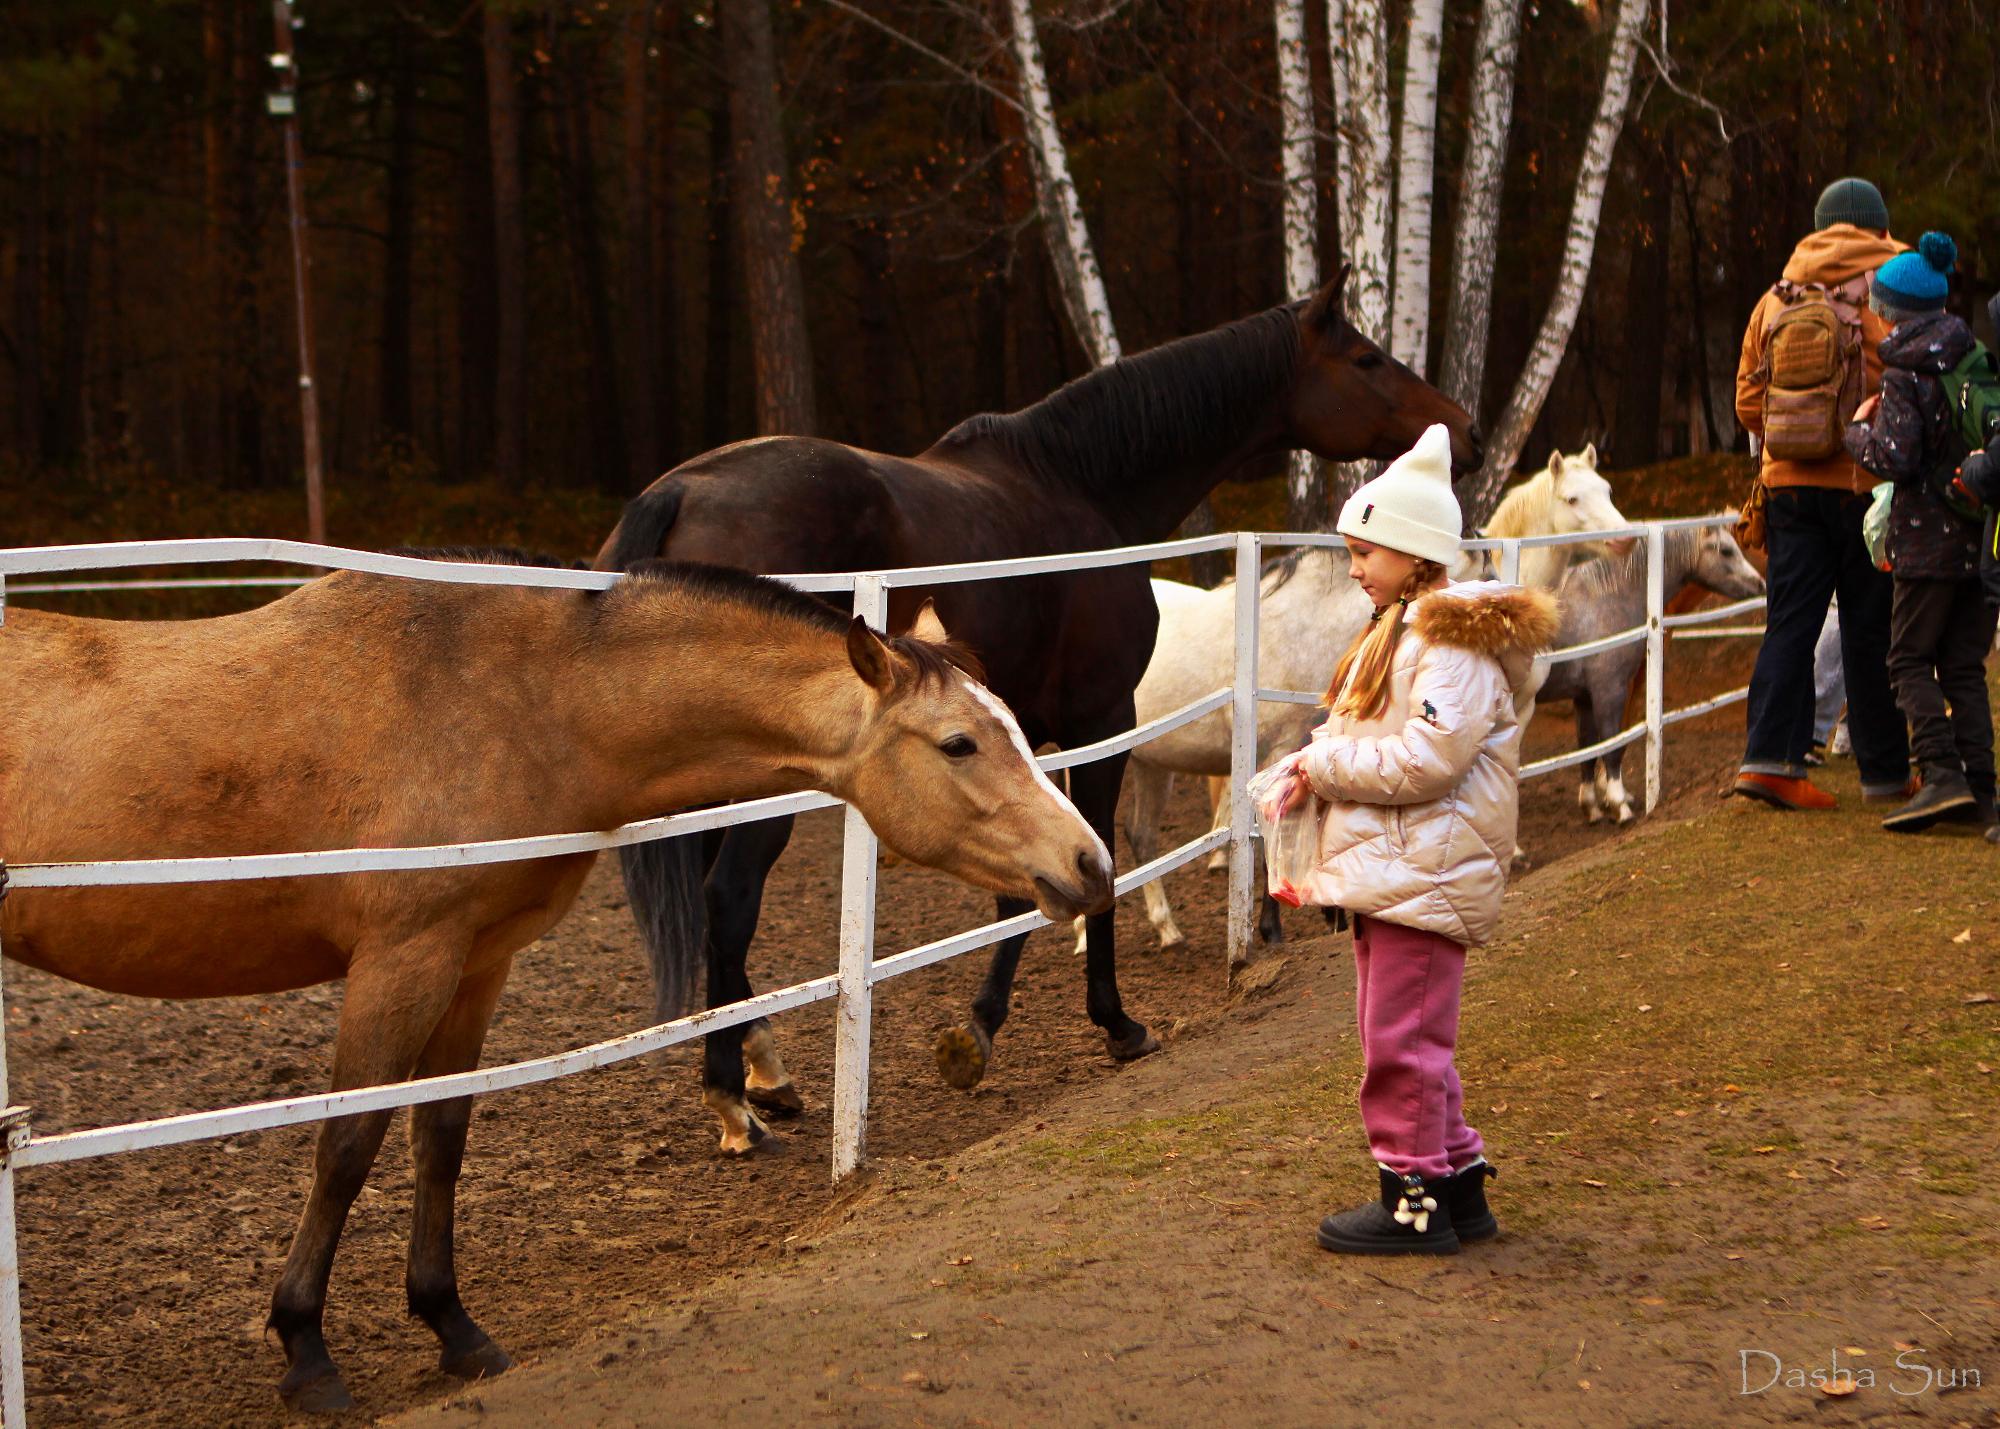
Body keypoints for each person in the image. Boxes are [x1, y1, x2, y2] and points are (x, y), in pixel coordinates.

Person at [1255, 424, 1558, 1255]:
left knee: (1401, 1041)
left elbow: (1430, 757)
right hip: (1400, 867)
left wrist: (1326, 763)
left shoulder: (1448, 643)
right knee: (1407, 1033)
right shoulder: (1408, 630)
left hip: (1423, 869)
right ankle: (1457, 1182)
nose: (1354, 568)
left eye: (1366, 552)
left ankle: (1412, 1197)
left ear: (1414, 553)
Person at [1733, 177, 1910, 810]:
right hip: (1865, 492)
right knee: (1869, 629)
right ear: (1878, 229)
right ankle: (1886, 772)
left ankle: (1768, 760)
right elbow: (1911, 386)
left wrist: (1794, 436)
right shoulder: (1889, 291)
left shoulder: (1776, 298)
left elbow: (1747, 403)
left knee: (1790, 623)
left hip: (1787, 491)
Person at [1853, 246, 2000, 831]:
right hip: (1977, 529)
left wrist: (1857, 432)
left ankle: (1940, 773)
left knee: (1907, 659)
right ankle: (1982, 790)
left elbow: (1895, 455)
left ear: (1891, 312)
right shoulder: (1974, 356)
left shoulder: (1904, 371)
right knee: (1963, 664)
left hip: (1923, 540)